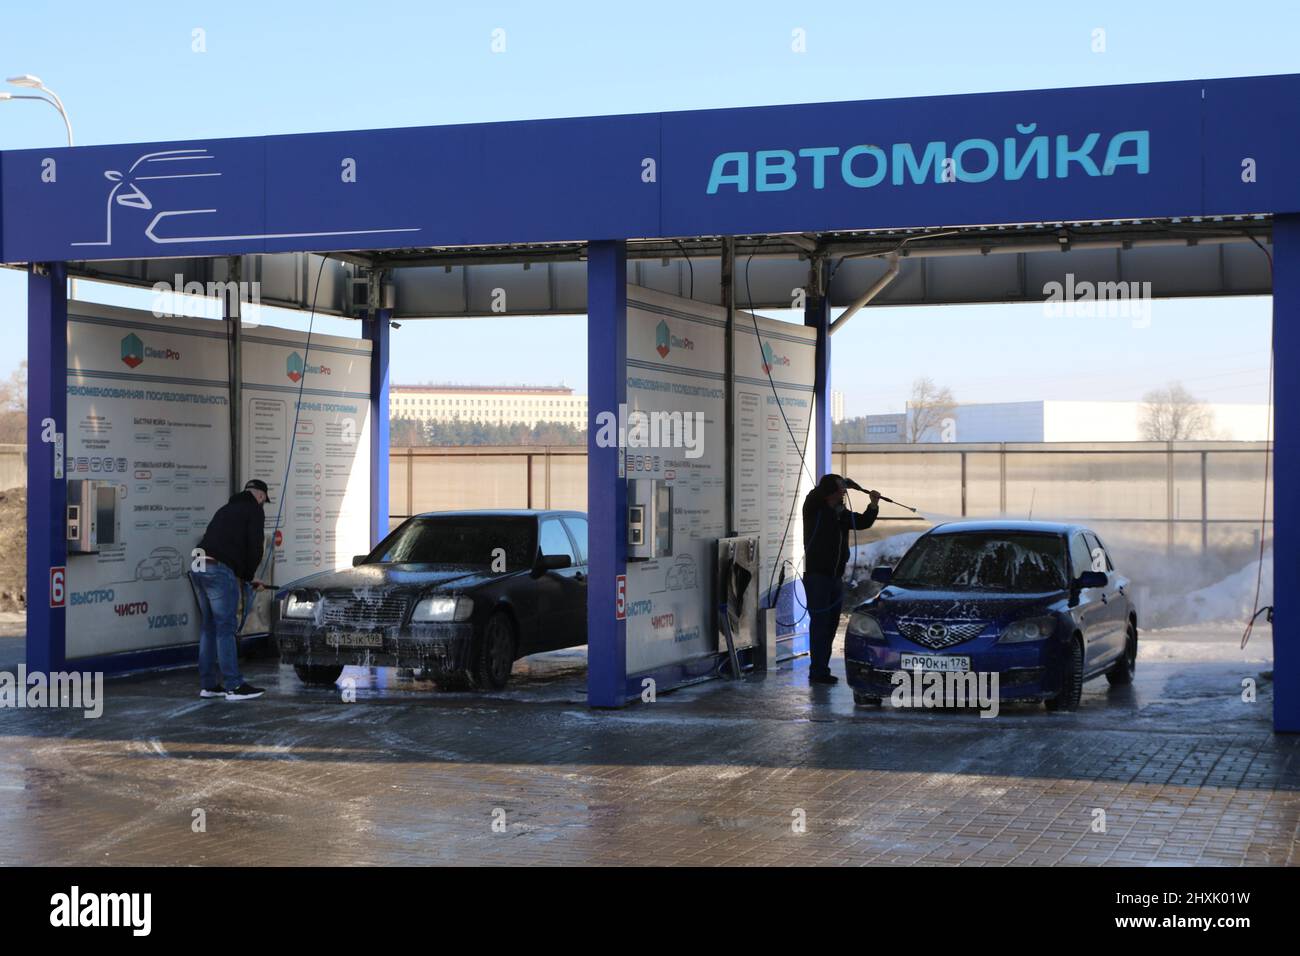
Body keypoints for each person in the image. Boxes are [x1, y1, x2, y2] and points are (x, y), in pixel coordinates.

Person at [190, 479, 271, 700]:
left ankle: (208, 685)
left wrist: (244, 575)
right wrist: (249, 577)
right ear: (261, 496)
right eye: (264, 500)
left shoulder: (226, 509)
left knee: (209, 626)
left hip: (198, 565)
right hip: (217, 569)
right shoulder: (254, 510)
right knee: (226, 627)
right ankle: (234, 685)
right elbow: (254, 547)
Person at [801, 474, 879, 685]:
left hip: (835, 577)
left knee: (831, 624)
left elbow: (862, 522)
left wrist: (873, 506)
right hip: (818, 576)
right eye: (840, 489)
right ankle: (817, 671)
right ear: (830, 491)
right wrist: (839, 482)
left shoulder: (840, 513)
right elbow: (816, 495)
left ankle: (822, 670)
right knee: (820, 623)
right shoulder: (815, 507)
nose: (844, 492)